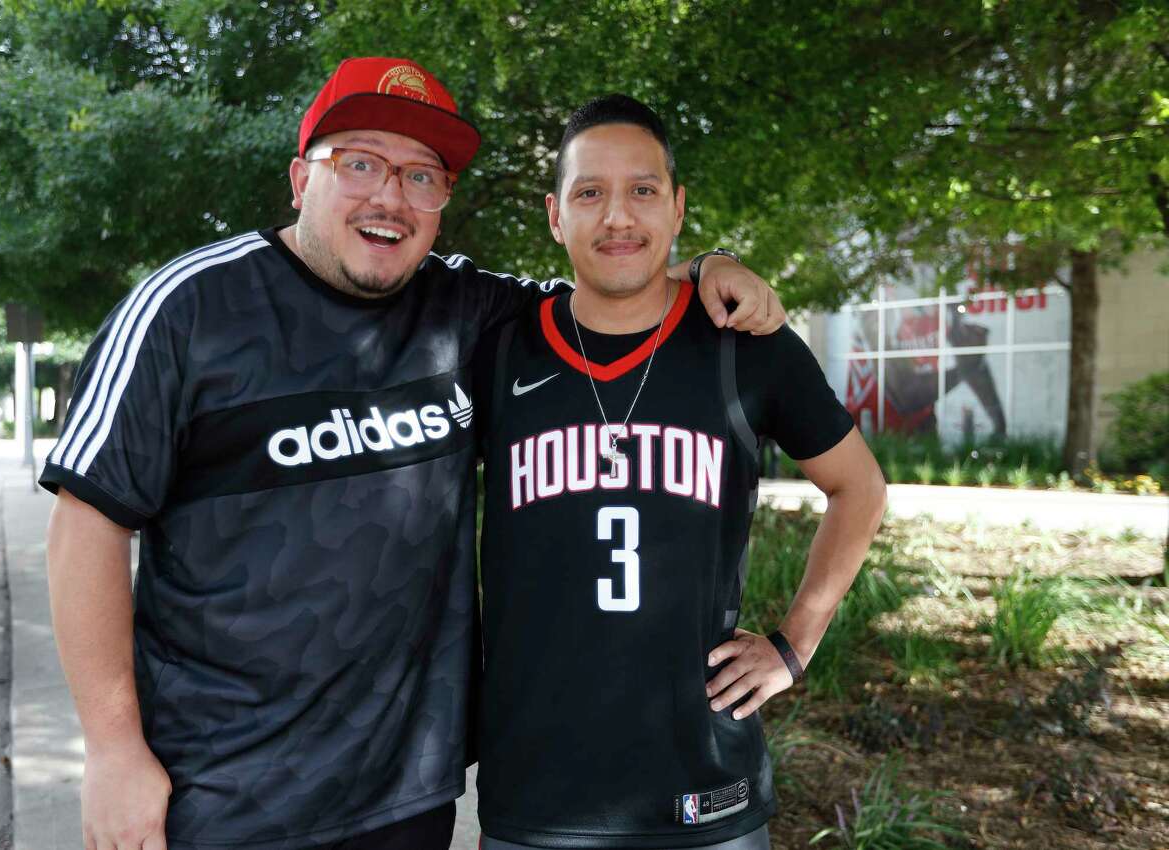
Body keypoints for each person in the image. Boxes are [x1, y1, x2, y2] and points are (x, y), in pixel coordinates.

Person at [39, 59, 784, 850]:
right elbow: (86, 524)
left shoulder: (467, 312)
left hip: (407, 798)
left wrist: (704, 267)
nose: (390, 197)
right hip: (220, 792)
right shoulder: (189, 310)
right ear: (300, 178)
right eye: (359, 163)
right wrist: (114, 747)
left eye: (422, 176)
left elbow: (612, 289)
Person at [473, 95, 887, 849]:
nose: (618, 217)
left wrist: (794, 646)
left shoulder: (744, 344)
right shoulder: (499, 348)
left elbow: (859, 487)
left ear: (679, 205)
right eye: (589, 192)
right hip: (537, 792)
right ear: (554, 215)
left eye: (643, 190)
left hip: (705, 792)